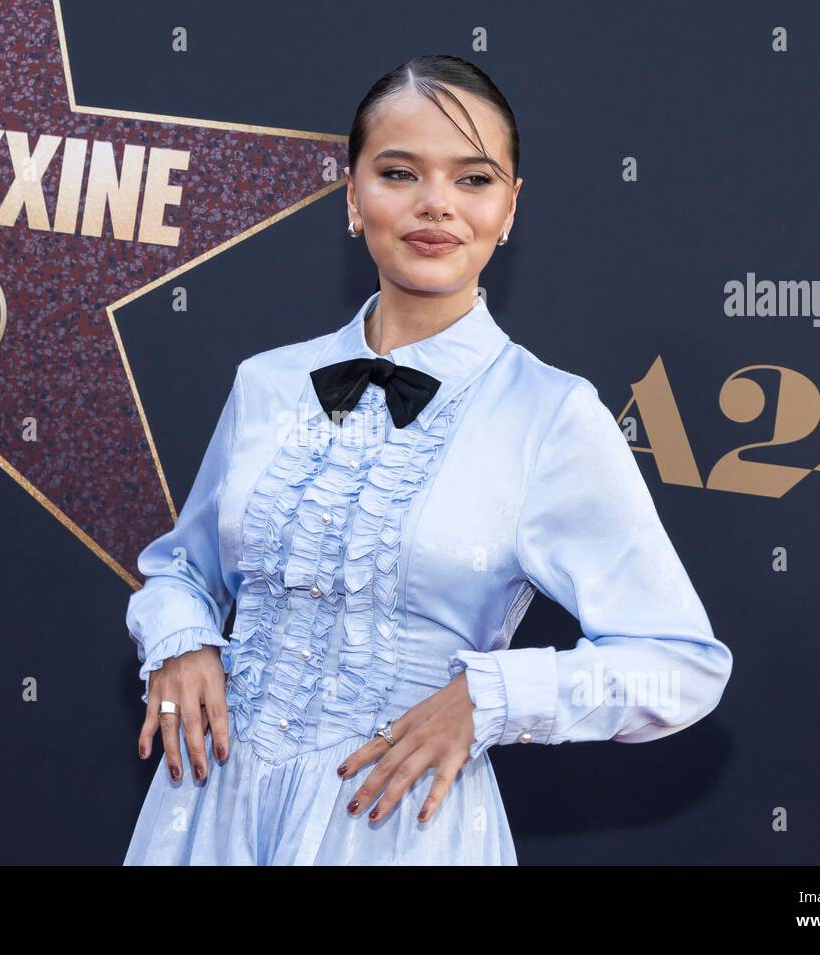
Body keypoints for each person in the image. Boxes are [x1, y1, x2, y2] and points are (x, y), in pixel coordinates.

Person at [121, 54, 732, 865]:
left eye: (473, 180)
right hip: (207, 813)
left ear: (511, 209)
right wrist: (183, 639)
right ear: (352, 195)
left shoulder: (550, 415)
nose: (435, 205)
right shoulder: (267, 383)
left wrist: (490, 701)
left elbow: (681, 665)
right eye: (399, 172)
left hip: (394, 828)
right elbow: (182, 570)